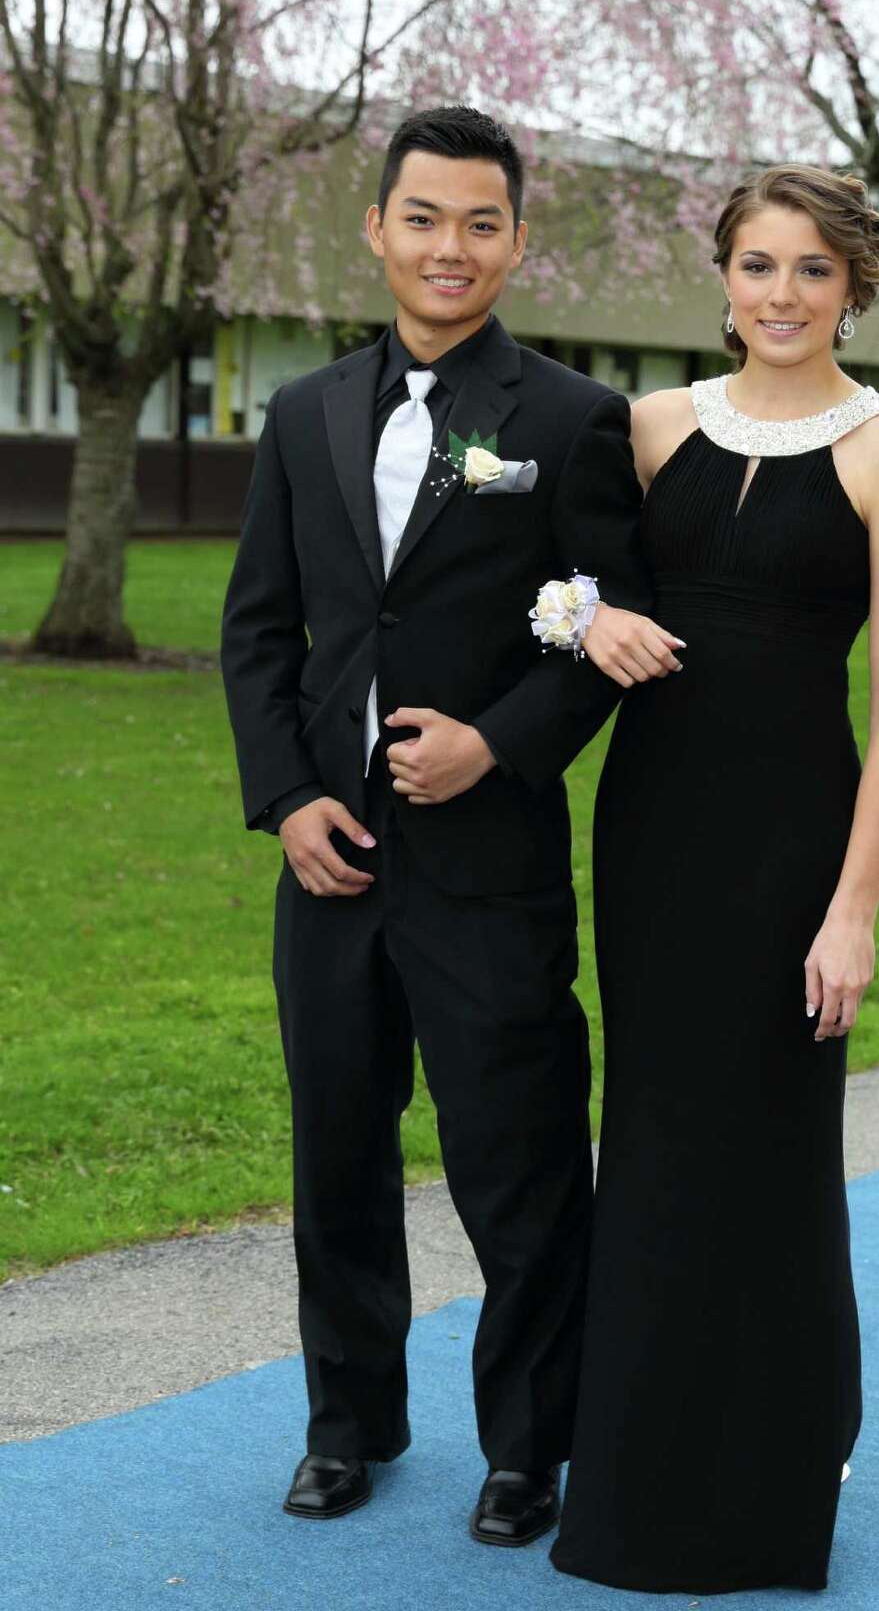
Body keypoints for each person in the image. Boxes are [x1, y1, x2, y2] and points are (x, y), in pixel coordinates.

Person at [219, 106, 653, 1543]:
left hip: (489, 869)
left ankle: (528, 1446)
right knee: (336, 1156)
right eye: (424, 218)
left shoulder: (572, 423)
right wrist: (285, 799)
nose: (449, 247)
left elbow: (603, 635)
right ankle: (349, 1423)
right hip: (328, 867)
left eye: (480, 222)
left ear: (518, 243)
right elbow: (261, 635)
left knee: (517, 1160)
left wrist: (500, 743)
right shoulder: (301, 417)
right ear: (378, 229)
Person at [549, 165, 879, 1593]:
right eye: (759, 265)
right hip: (652, 828)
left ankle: (781, 1465)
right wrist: (590, 619)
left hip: (793, 841)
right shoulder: (648, 430)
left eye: (813, 272)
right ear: (721, 276)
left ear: (856, 288)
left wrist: (854, 909)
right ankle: (636, 1475)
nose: (782, 295)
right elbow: (560, 576)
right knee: (649, 1135)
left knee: (771, 1148)